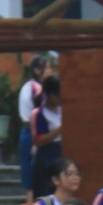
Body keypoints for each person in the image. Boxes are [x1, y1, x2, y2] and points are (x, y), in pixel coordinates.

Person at [16, 54, 53, 194]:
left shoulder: (31, 87)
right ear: (38, 70)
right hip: (34, 131)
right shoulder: (36, 88)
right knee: (33, 175)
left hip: (31, 132)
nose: (50, 71)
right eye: (48, 68)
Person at [29, 75, 66, 196]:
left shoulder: (63, 110)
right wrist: (59, 130)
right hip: (46, 156)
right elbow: (38, 140)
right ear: (50, 95)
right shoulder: (39, 114)